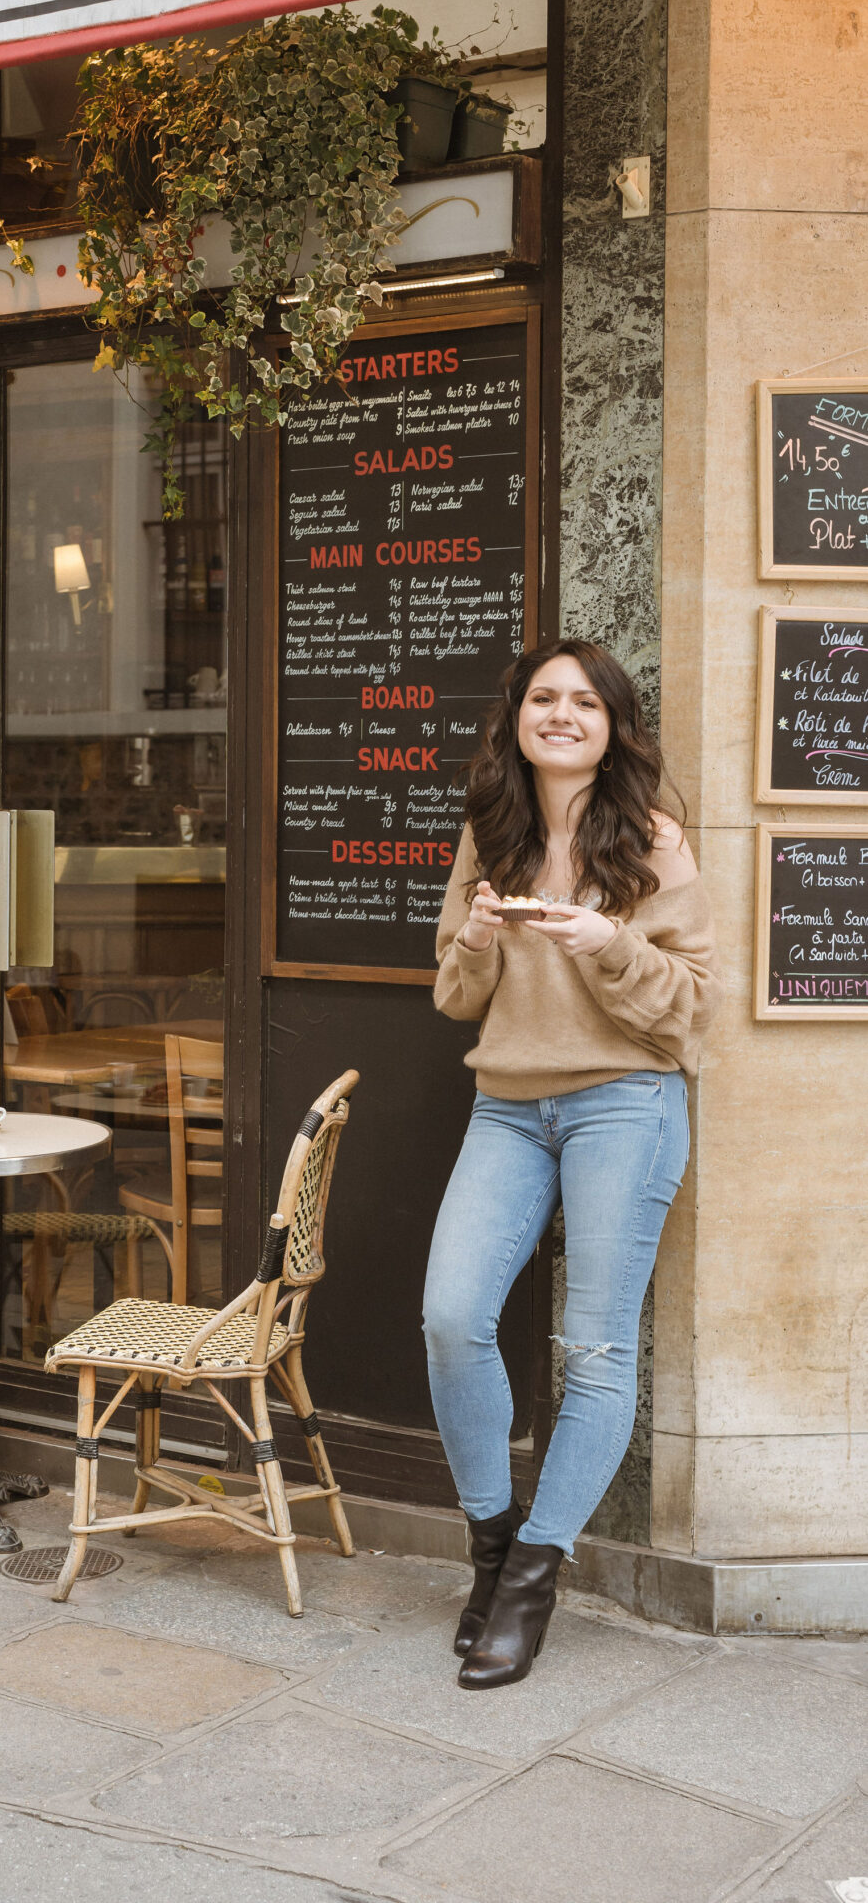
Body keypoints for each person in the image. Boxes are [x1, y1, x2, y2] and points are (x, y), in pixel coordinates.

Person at [424, 639, 720, 1689]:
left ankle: (532, 1578)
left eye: (583, 700)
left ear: (611, 723)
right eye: (543, 697)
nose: (560, 713)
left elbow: (688, 1006)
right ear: (517, 718)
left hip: (624, 1104)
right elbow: (455, 997)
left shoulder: (653, 839)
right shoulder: (488, 833)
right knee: (452, 1317)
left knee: (594, 1349)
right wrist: (485, 936)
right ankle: (492, 1538)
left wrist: (603, 939)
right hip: (506, 1104)